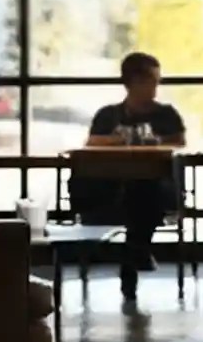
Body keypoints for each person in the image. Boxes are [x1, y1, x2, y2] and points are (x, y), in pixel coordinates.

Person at [73, 52, 186, 301]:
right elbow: (92, 142)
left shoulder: (166, 115)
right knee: (127, 193)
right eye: (151, 81)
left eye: (157, 81)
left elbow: (179, 143)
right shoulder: (108, 115)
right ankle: (136, 253)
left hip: (157, 190)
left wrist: (155, 141)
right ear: (132, 83)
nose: (155, 88)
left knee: (143, 190)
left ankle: (132, 254)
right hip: (113, 189)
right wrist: (118, 140)